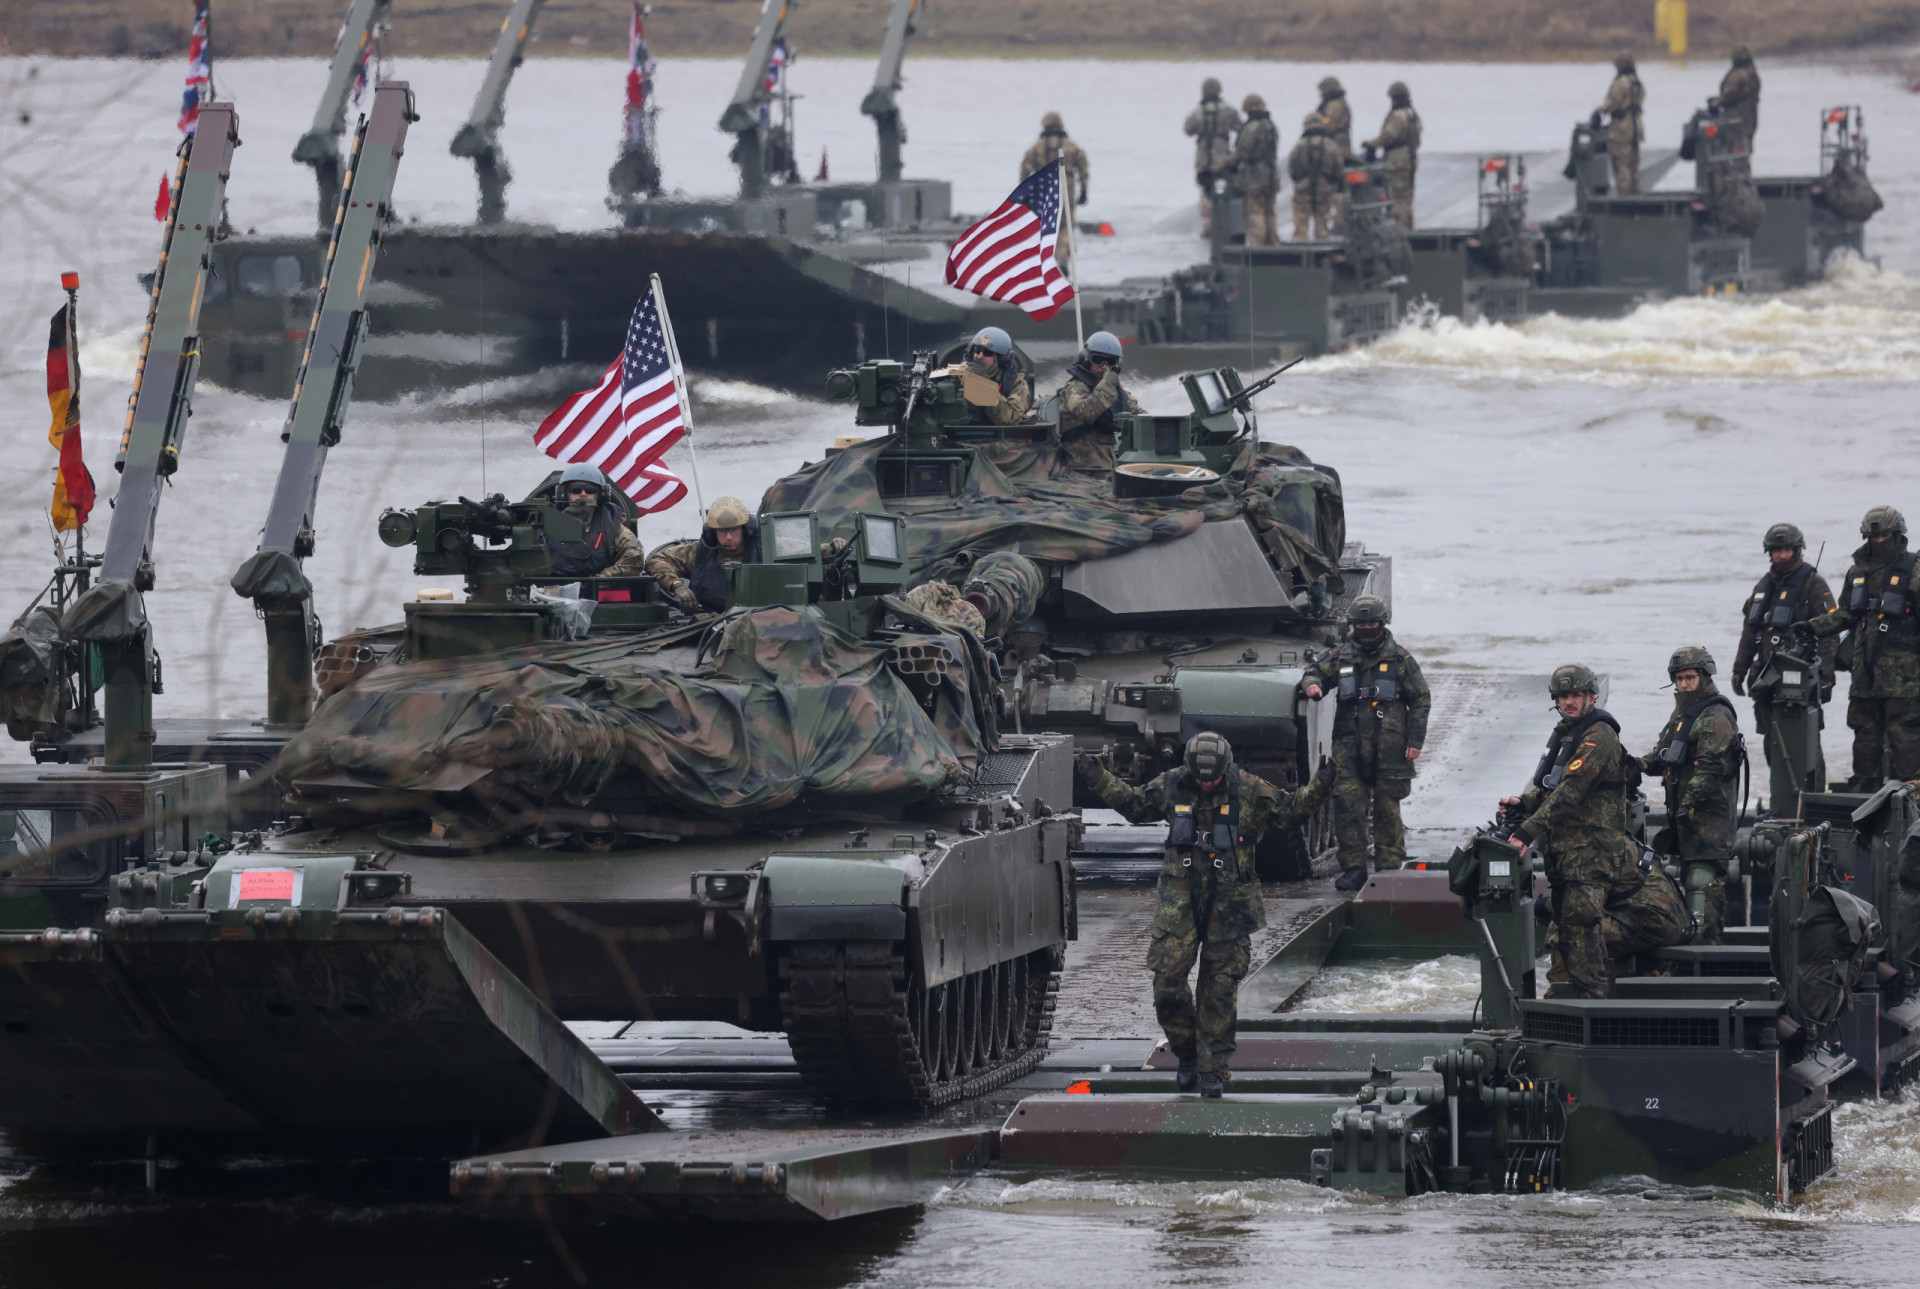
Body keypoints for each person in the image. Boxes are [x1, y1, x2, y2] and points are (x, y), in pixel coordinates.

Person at [1080, 732, 1333, 1097]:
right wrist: (1098, 778)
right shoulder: (1173, 785)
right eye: (1200, 778)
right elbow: (1135, 806)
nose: (1206, 784)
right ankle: (1186, 1052)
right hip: (1179, 898)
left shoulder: (1248, 789)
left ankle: (1212, 1067)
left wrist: (1320, 784)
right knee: (1167, 982)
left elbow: (1290, 810)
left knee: (1219, 987)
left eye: (1213, 778)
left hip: (1230, 901)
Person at [1500, 664, 1689, 998]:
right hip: (1578, 856)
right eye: (1563, 696)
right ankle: (1582, 1003)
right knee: (1574, 933)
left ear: (1591, 697)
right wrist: (1524, 802)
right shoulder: (1568, 734)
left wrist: (1527, 832)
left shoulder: (1599, 735)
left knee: (1578, 936)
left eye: (1576, 695)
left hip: (1592, 856)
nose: (1569, 702)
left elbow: (1570, 791)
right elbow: (1552, 786)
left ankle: (1592, 1010)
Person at [1301, 595, 1429, 893]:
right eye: (1362, 625)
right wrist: (1312, 685)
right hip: (1349, 745)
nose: (1367, 629)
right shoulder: (1341, 656)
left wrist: (1415, 739)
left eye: (1372, 624)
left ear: (1382, 624)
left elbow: (1421, 699)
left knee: (1387, 808)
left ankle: (1388, 867)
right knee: (1347, 804)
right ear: (1353, 626)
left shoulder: (1400, 660)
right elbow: (1314, 672)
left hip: (1391, 746)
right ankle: (1354, 868)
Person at [1807, 506, 1920, 789]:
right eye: (1873, 537)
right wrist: (1811, 627)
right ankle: (1865, 794)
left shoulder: (1914, 571)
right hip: (1865, 677)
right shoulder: (1856, 573)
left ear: (1897, 535)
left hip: (1905, 680)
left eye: (1884, 536)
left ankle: (1913, 798)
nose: (1878, 541)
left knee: (1906, 741)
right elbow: (1845, 614)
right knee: (1864, 737)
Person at [1639, 647, 1743, 944]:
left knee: (1702, 881)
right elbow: (1666, 754)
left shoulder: (1715, 716)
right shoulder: (1684, 714)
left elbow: (1711, 769)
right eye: (1679, 679)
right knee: (1688, 879)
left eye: (1690, 678)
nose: (1684, 684)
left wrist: (1687, 803)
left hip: (1708, 820)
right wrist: (1637, 765)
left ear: (1704, 677)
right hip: (1687, 820)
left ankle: (1707, 951)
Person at [1731, 522, 1837, 789]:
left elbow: (1829, 632)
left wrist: (1826, 676)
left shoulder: (1813, 584)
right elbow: (1749, 633)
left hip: (1801, 679)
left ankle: (1814, 799)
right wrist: (1739, 670)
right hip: (1767, 679)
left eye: (1786, 550)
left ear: (1797, 550)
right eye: (1776, 551)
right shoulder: (1763, 587)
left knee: (1808, 742)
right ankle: (1782, 798)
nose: (1781, 555)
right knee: (1772, 741)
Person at [644, 495, 760, 615]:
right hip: (711, 620)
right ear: (712, 532)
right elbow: (655, 560)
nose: (729, 537)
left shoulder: (765, 550)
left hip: (758, 617)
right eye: (722, 530)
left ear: (746, 529)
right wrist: (677, 585)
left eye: (734, 529)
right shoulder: (701, 553)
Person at [1055, 331, 1139, 474]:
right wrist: (1108, 385)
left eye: (1110, 362)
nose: (1104, 366)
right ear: (1086, 358)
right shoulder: (1076, 387)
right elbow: (1084, 411)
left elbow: (1135, 411)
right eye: (1098, 360)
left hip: (1108, 464)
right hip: (1082, 468)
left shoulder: (1111, 389)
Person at [541, 463, 646, 578]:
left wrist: (604, 577)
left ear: (600, 494)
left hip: (598, 585)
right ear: (563, 493)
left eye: (590, 490)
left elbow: (634, 557)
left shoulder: (611, 524)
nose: (583, 494)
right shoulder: (545, 520)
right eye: (576, 489)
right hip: (550, 585)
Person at [1021, 111, 1089, 262]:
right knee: (1065, 226)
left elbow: (1025, 170)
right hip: (1066, 188)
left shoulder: (1036, 148)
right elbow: (1083, 171)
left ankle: (1046, 259)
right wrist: (1084, 191)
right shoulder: (1071, 147)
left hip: (1043, 190)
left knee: (1045, 225)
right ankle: (1063, 257)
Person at [1184, 78, 1242, 236]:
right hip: (1223, 158)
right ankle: (1224, 222)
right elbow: (1240, 129)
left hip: (1203, 160)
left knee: (1205, 192)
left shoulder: (1198, 112)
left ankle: (1208, 225)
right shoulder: (1229, 110)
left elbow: (1187, 130)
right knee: (1226, 190)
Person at [1364, 82, 1422, 230]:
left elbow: (1388, 135)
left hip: (1397, 161)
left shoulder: (1398, 116)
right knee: (1407, 198)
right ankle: (1408, 228)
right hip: (1410, 159)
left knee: (1397, 199)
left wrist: (1371, 144)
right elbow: (1418, 138)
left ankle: (1400, 230)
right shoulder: (1412, 114)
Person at [1231, 93, 1280, 247]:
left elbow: (1242, 153)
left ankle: (1257, 247)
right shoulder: (1271, 126)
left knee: (1255, 212)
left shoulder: (1250, 128)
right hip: (1271, 175)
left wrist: (1227, 165)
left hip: (1254, 177)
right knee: (1269, 211)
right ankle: (1272, 244)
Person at [959, 326, 1032, 426]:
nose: (979, 356)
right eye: (977, 350)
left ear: (1001, 359)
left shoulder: (1016, 384)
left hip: (995, 434)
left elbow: (1010, 419)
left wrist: (984, 386)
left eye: (987, 353)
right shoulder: (958, 375)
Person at [1594, 51, 1645, 195]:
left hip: (1621, 128)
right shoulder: (1637, 82)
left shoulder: (1621, 82)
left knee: (1621, 163)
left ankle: (1624, 197)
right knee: (1634, 164)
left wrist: (1597, 112)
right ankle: (1636, 195)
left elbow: (1612, 103)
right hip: (1636, 126)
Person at [1289, 112, 1343, 240]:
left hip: (1302, 190)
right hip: (1324, 190)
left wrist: (1299, 181)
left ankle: (1300, 248)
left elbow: (1292, 168)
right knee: (1322, 224)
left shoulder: (1299, 146)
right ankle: (1322, 248)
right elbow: (1338, 169)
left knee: (1301, 224)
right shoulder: (1331, 146)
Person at [1709, 45, 1762, 155]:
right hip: (1751, 117)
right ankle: (1744, 164)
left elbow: (1728, 95)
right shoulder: (1753, 73)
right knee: (1745, 148)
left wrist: (1715, 104)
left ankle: (1739, 164)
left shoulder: (1738, 75)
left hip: (1736, 118)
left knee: (1736, 149)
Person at [1316, 76, 1351, 158]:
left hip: (1336, 144)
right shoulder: (1338, 102)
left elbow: (1329, 124)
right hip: (1336, 144)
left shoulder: (1334, 105)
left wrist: (1317, 129)